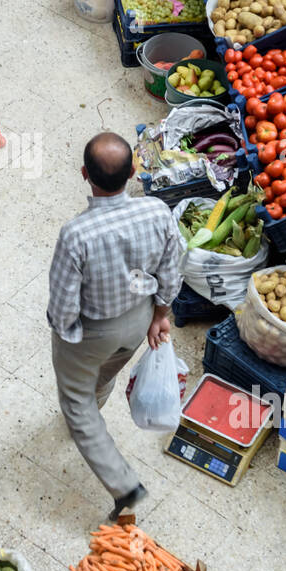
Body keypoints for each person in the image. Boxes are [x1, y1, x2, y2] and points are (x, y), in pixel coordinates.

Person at [46, 131, 185, 519]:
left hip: (94, 330)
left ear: (84, 175)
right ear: (134, 172)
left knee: (76, 404)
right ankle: (97, 398)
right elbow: (173, 268)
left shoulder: (76, 234)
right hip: (137, 323)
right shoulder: (157, 211)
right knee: (107, 370)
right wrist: (160, 314)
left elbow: (62, 307)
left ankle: (124, 487)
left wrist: (69, 340)